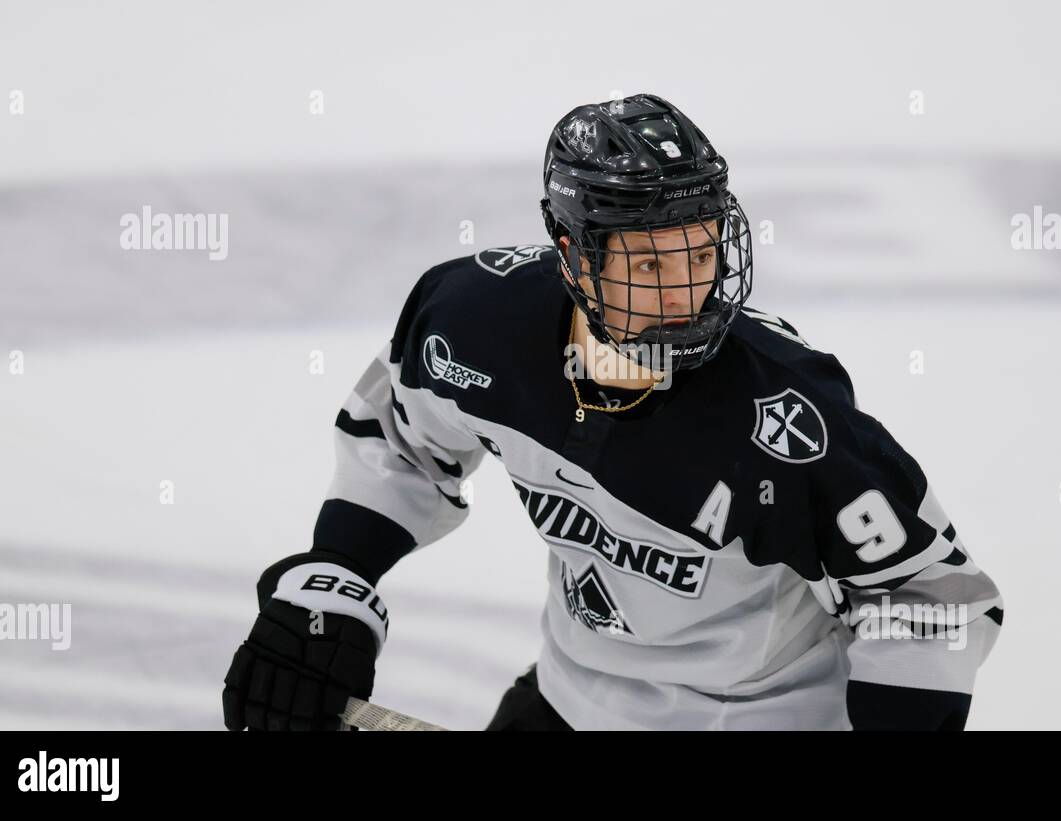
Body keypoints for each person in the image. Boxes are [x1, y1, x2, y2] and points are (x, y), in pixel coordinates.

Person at [222, 94, 1003, 731]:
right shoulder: (474, 324)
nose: (686, 292)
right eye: (650, 261)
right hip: (571, 698)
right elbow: (401, 438)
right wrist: (337, 574)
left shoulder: (786, 420)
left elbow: (931, 594)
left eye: (700, 253)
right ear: (572, 255)